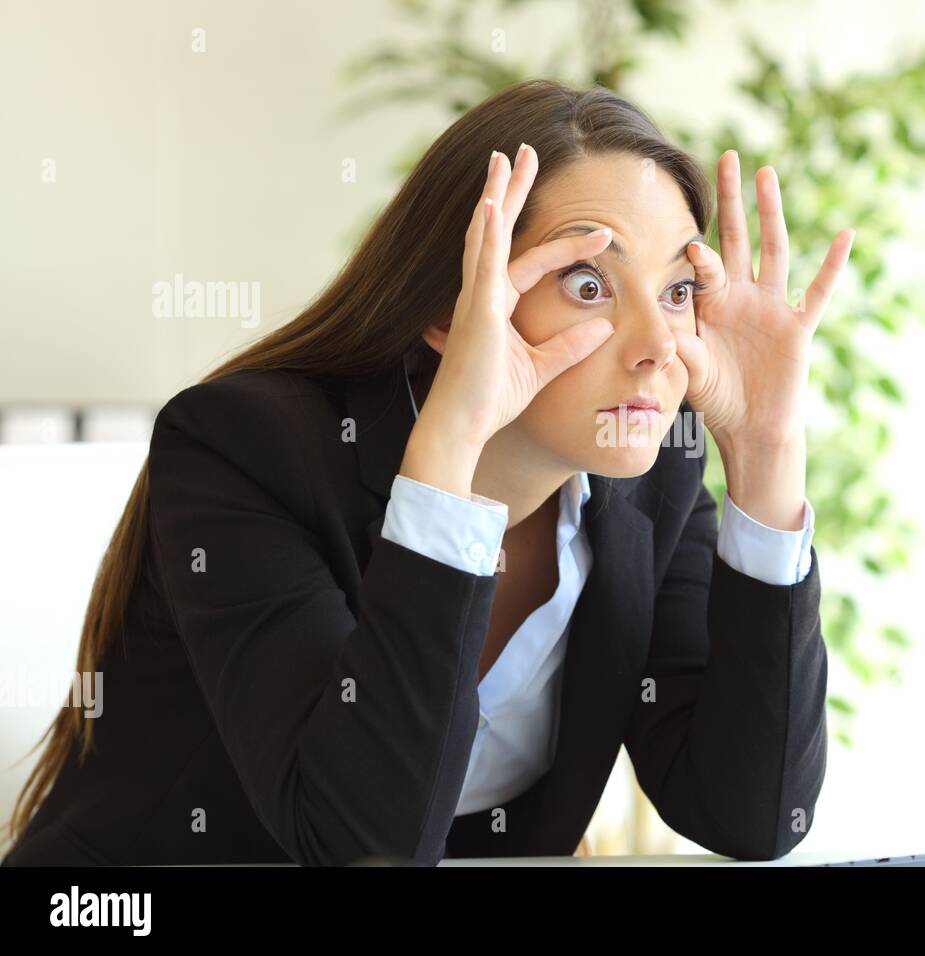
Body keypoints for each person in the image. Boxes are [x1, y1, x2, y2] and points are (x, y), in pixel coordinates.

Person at [2, 78, 854, 866]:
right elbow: (357, 842)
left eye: (676, 291)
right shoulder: (245, 450)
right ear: (453, 309)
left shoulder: (653, 481)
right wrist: (450, 458)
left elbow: (751, 815)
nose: (660, 348)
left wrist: (769, 451)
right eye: (589, 283)